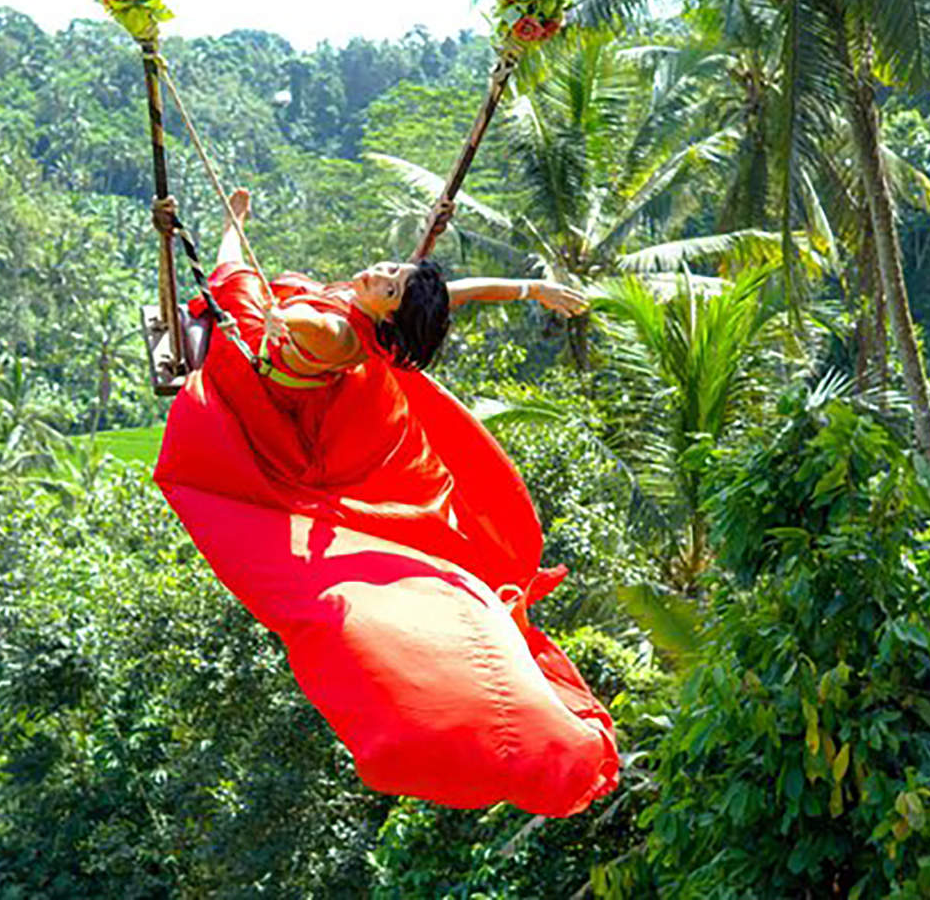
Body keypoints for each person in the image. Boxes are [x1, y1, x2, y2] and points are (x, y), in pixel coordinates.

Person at [153, 189, 619, 818]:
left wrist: (229, 256)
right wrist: (527, 289)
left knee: (236, 310)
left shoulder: (336, 332)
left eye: (393, 286)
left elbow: (244, 291)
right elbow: (451, 293)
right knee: (251, 293)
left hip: (267, 424)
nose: (385, 273)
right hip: (314, 404)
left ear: (388, 319)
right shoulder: (372, 314)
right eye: (395, 272)